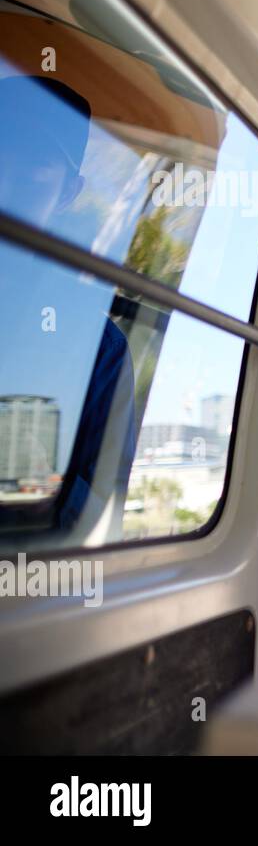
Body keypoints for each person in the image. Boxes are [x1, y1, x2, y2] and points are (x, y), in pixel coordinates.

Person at [0, 75, 136, 540]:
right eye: (1, 144)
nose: (5, 174)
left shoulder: (100, 351)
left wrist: (35, 480)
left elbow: (106, 518)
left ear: (67, 193)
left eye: (35, 162)